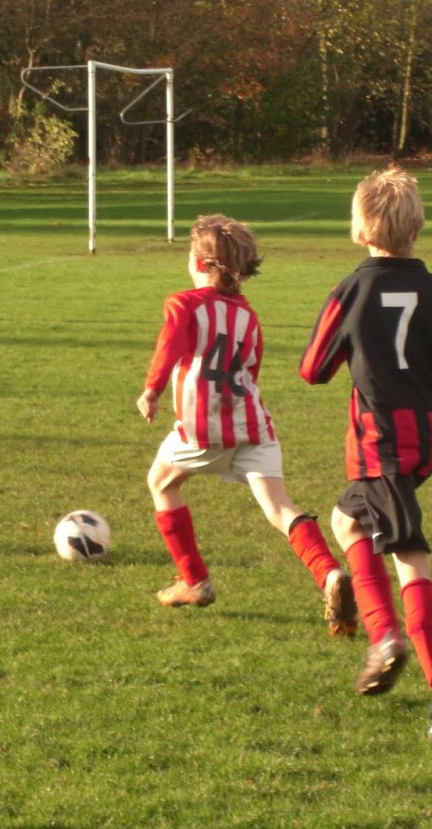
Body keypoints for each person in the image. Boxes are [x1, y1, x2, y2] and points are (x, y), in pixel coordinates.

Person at [299, 165, 432, 740]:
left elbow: (313, 369)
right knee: (346, 519)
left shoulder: (352, 289)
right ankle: (387, 634)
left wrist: (363, 358)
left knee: (408, 554)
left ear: (360, 228)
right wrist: (429, 363)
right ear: (418, 228)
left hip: (380, 435)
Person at [138, 214, 357, 636]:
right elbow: (251, 369)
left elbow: (169, 347)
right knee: (280, 507)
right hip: (253, 423)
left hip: (204, 427)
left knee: (162, 484)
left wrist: (152, 390)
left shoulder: (184, 304)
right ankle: (329, 575)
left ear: (200, 265)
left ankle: (195, 580)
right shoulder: (248, 317)